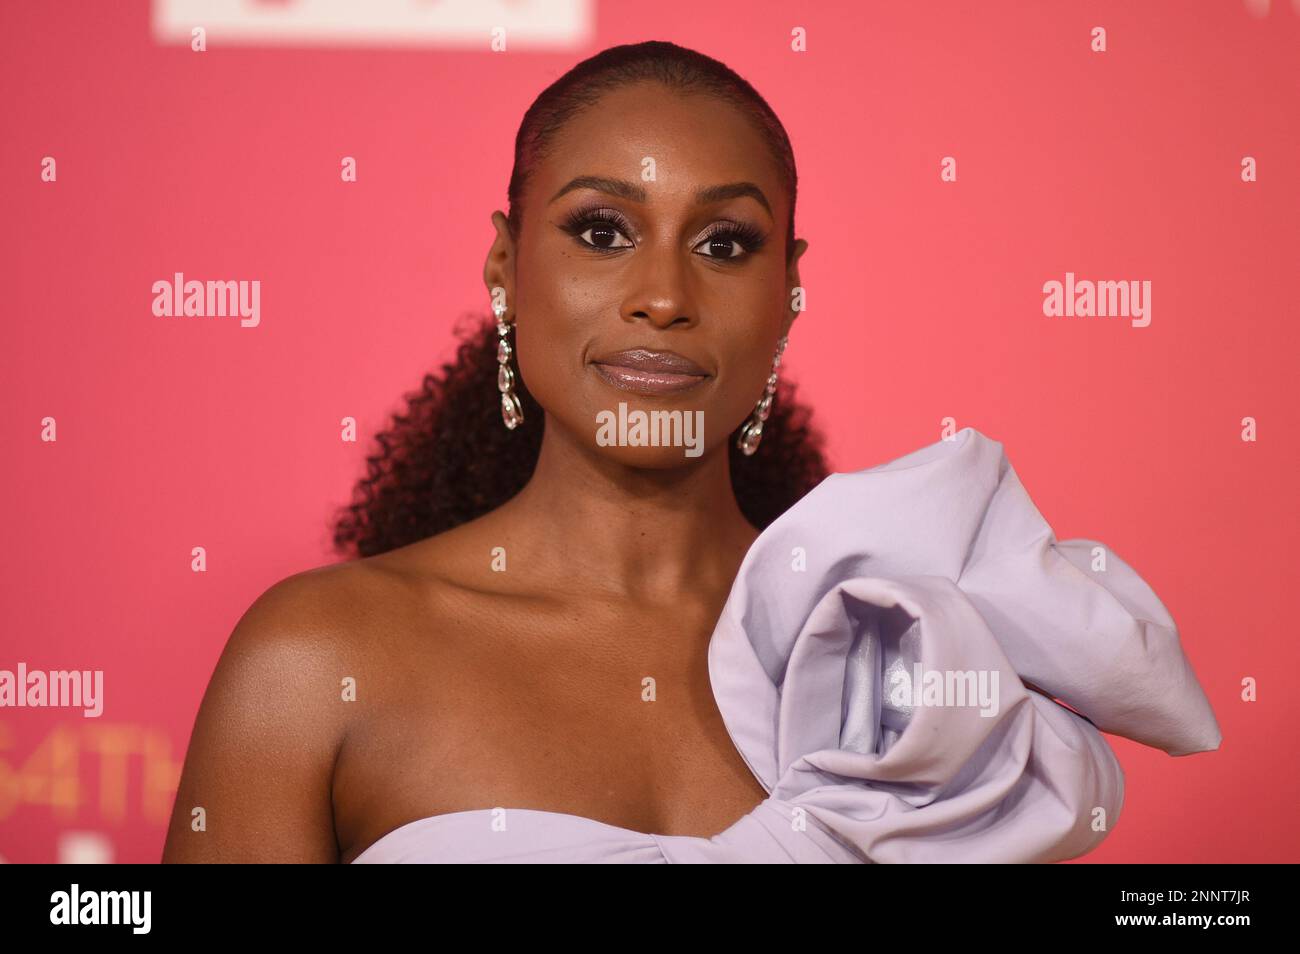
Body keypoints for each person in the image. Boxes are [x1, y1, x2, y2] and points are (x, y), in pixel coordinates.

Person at [162, 41, 1220, 864]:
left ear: (789, 291)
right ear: (503, 265)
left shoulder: (910, 658)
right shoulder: (315, 663)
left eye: (725, 245)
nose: (663, 296)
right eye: (601, 231)